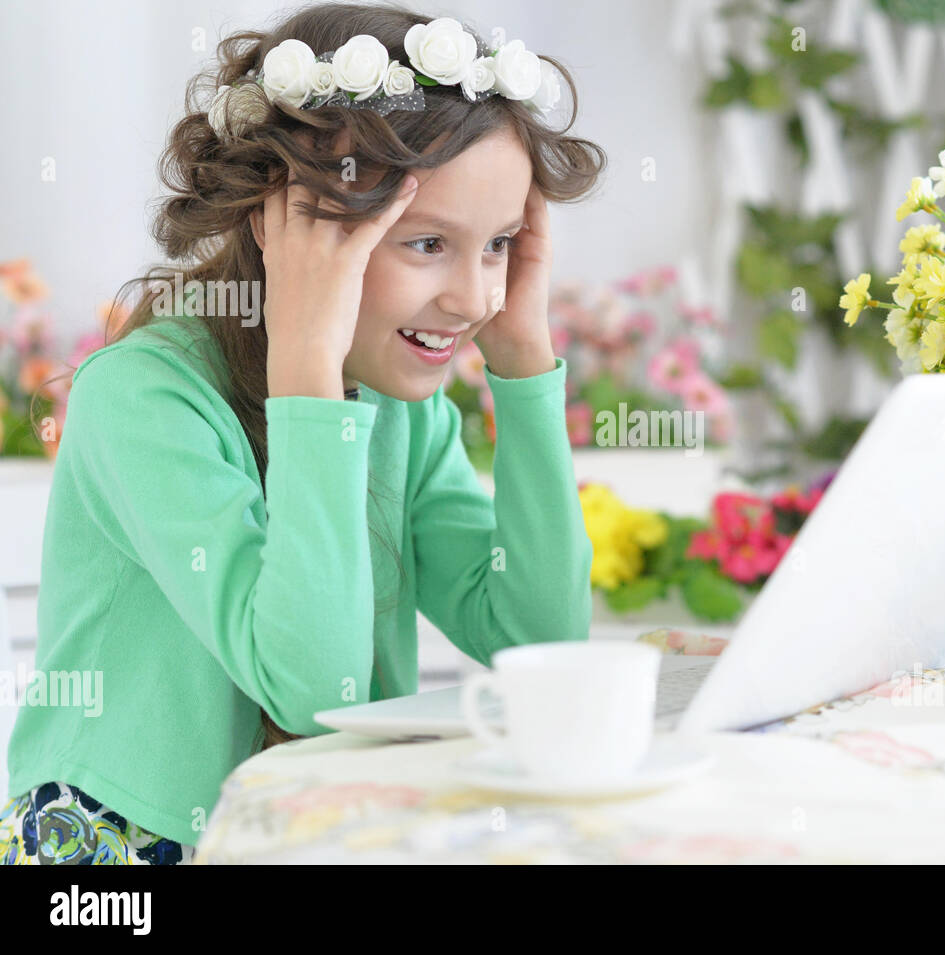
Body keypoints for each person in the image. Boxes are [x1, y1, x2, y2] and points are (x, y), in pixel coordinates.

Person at [2, 2, 604, 864]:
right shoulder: (140, 400)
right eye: (429, 242)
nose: (475, 299)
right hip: (121, 848)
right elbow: (318, 691)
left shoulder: (405, 408)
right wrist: (308, 365)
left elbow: (538, 642)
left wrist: (526, 365)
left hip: (313, 833)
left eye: (501, 244)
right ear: (284, 226)